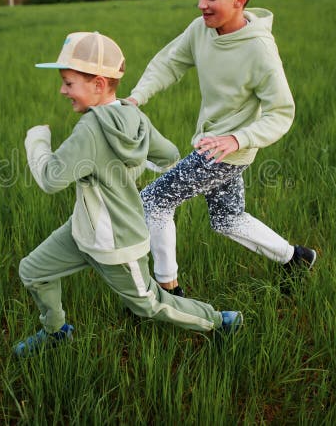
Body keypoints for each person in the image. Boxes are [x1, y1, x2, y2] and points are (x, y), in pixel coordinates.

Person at [14, 31, 242, 357]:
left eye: (68, 82)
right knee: (33, 271)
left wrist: (36, 139)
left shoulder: (89, 130)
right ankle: (55, 332)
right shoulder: (133, 114)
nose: (62, 90)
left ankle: (220, 322)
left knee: (149, 304)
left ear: (97, 84)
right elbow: (168, 155)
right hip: (84, 231)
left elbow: (51, 180)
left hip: (117, 244)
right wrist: (127, 168)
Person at [126, 0, 317, 297]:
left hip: (225, 151)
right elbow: (169, 62)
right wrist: (137, 97)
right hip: (212, 143)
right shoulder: (201, 30)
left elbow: (281, 112)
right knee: (228, 219)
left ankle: (169, 292)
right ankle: (297, 258)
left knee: (153, 200)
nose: (201, 4)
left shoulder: (260, 50)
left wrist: (237, 139)